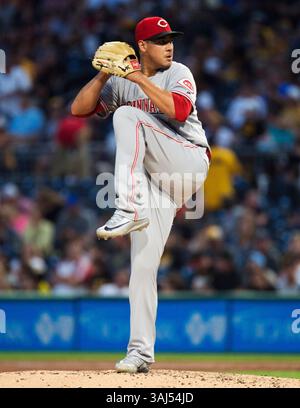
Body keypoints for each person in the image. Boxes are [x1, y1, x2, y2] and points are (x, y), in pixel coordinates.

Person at [71, 16, 211, 373]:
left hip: (188, 162)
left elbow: (178, 109)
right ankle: (139, 353)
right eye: (161, 40)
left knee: (127, 117)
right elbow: (79, 109)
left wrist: (131, 76)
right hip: (156, 182)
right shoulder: (121, 83)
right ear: (142, 47)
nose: (169, 45)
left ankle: (127, 206)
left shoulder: (179, 72)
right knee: (143, 268)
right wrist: (105, 74)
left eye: (171, 39)